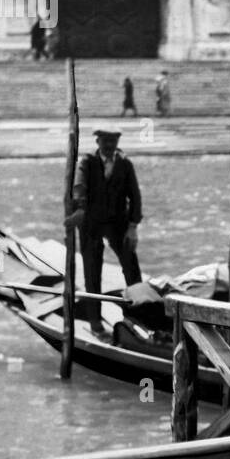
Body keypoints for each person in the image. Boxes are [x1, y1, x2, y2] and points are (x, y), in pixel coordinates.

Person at [66, 130, 143, 336]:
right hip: (91, 222)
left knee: (132, 268)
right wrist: (80, 208)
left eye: (113, 141)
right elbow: (79, 186)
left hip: (118, 222)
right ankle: (95, 323)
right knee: (92, 270)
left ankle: (138, 317)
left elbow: (135, 195)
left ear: (117, 142)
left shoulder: (125, 164)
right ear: (98, 142)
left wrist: (133, 226)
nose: (109, 145)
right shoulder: (88, 162)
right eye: (105, 141)